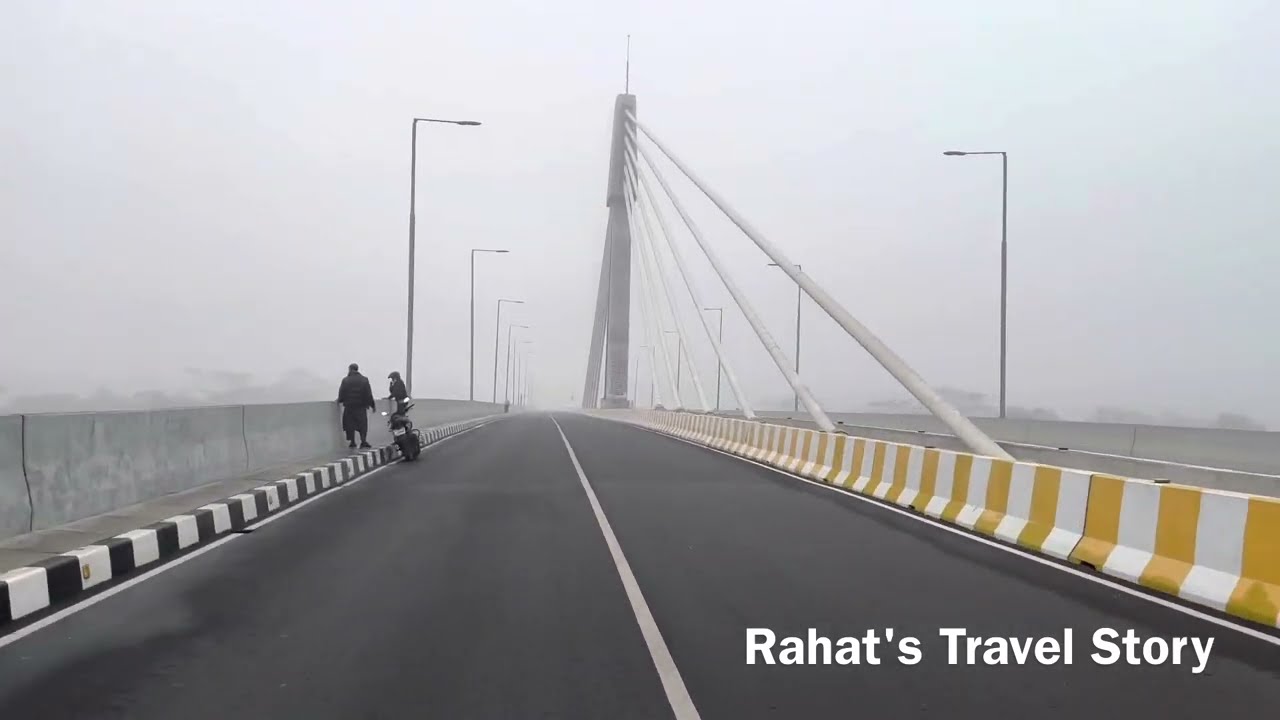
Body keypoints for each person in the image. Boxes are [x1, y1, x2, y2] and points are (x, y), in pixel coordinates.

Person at [337, 363, 376, 449]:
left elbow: (342, 392)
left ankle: (352, 442)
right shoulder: (364, 380)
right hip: (361, 407)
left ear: (350, 369)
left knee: (350, 425)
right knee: (362, 424)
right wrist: (372, 405)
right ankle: (363, 441)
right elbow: (368, 394)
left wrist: (339, 400)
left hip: (349, 407)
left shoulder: (345, 380)